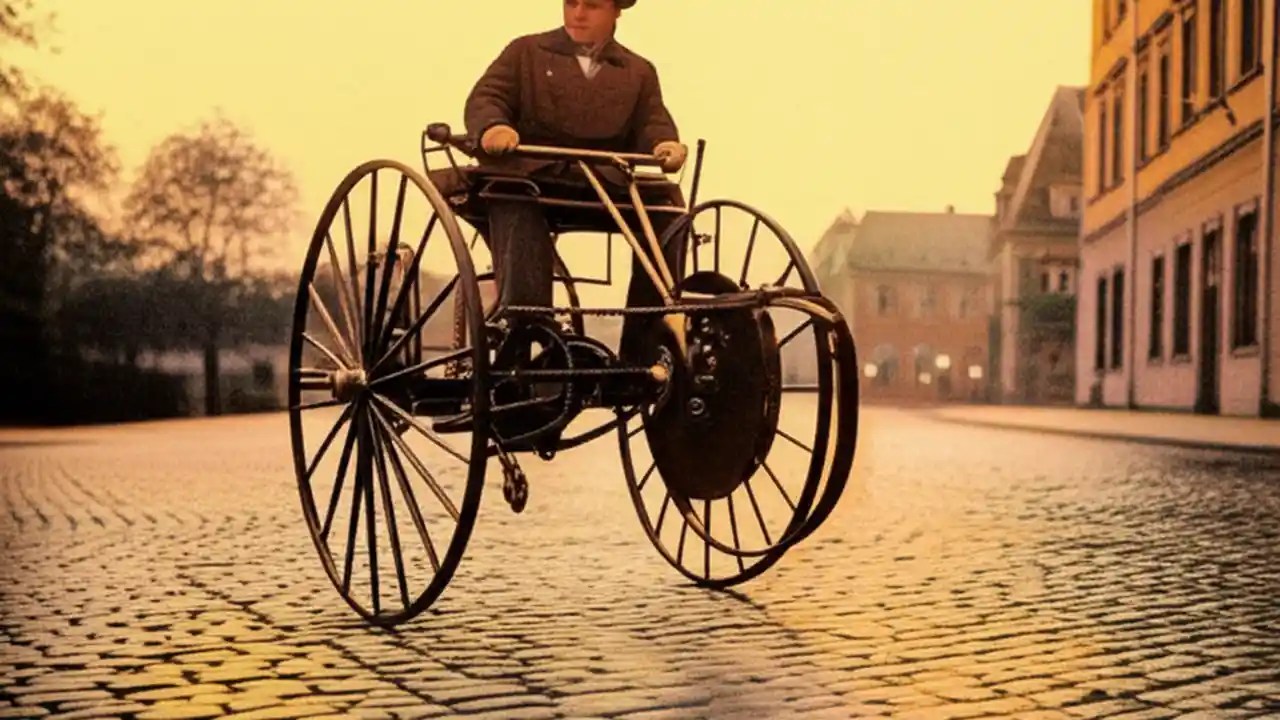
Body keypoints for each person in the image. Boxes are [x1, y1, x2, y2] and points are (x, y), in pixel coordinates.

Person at [459, 0, 689, 363]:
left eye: (592, 5)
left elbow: (651, 120)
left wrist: (664, 142)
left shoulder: (637, 71)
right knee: (512, 195)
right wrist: (493, 126)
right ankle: (526, 328)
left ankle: (647, 343)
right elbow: (487, 97)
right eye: (571, 3)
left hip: (604, 181)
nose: (578, 14)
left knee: (668, 208)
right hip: (534, 173)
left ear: (616, 12)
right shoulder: (527, 52)